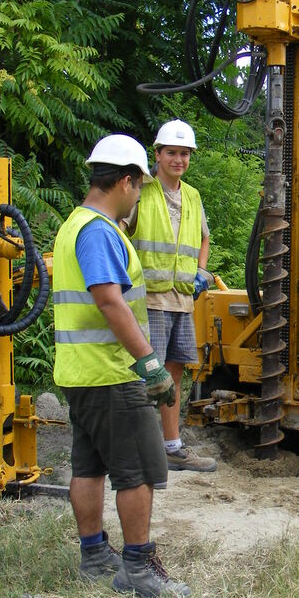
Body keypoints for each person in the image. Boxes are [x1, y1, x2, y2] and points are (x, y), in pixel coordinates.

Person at [53, 133, 190, 598]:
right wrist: (150, 364)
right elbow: (110, 302)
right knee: (140, 471)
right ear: (127, 182)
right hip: (112, 375)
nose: (138, 196)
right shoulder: (99, 232)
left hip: (81, 372)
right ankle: (137, 568)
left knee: (88, 466)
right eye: (138, 186)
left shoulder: (75, 224)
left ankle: (93, 555)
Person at [123, 118, 217, 473]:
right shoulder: (141, 191)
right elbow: (119, 228)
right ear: (157, 154)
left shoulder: (191, 195)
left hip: (181, 298)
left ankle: (171, 446)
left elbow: (204, 237)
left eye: (184, 154)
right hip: (149, 300)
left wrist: (202, 272)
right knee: (148, 374)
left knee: (174, 373)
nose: (178, 159)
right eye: (171, 153)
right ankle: (137, 447)